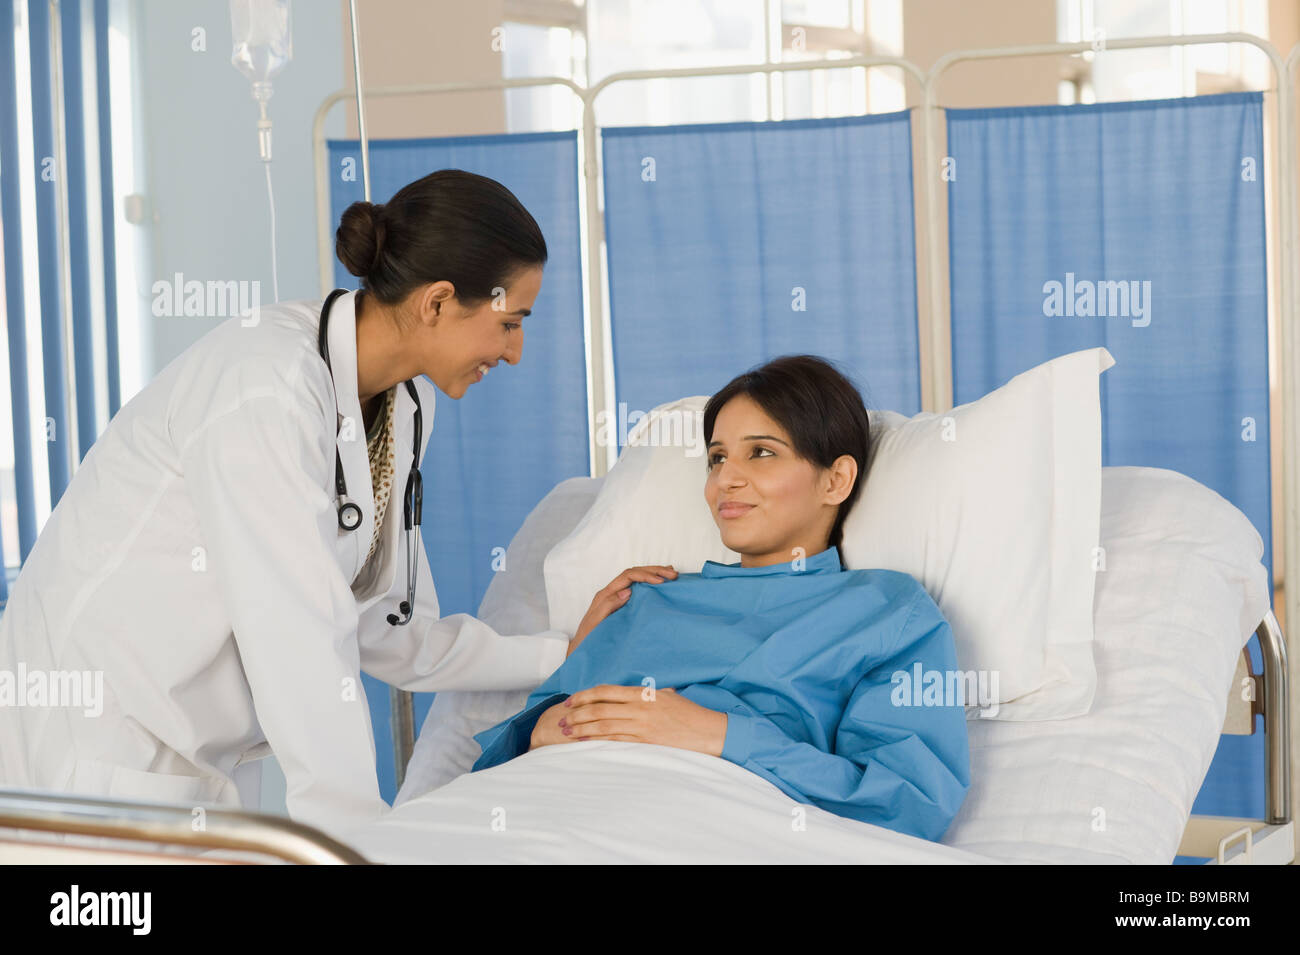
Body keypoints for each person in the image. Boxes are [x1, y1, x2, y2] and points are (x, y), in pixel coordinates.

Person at [0, 168, 669, 841]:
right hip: (99, 745)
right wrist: (352, 842)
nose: (517, 351)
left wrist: (559, 651)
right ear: (437, 302)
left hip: (197, 761)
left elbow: (394, 632)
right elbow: (296, 632)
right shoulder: (267, 386)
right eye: (509, 322)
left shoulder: (406, 403)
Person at [471, 355, 971, 841]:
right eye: (717, 458)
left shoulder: (885, 610)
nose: (725, 480)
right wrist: (547, 720)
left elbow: (906, 801)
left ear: (835, 479)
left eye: (762, 452)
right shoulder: (646, 599)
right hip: (548, 806)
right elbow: (512, 748)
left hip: (708, 820)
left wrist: (715, 733)